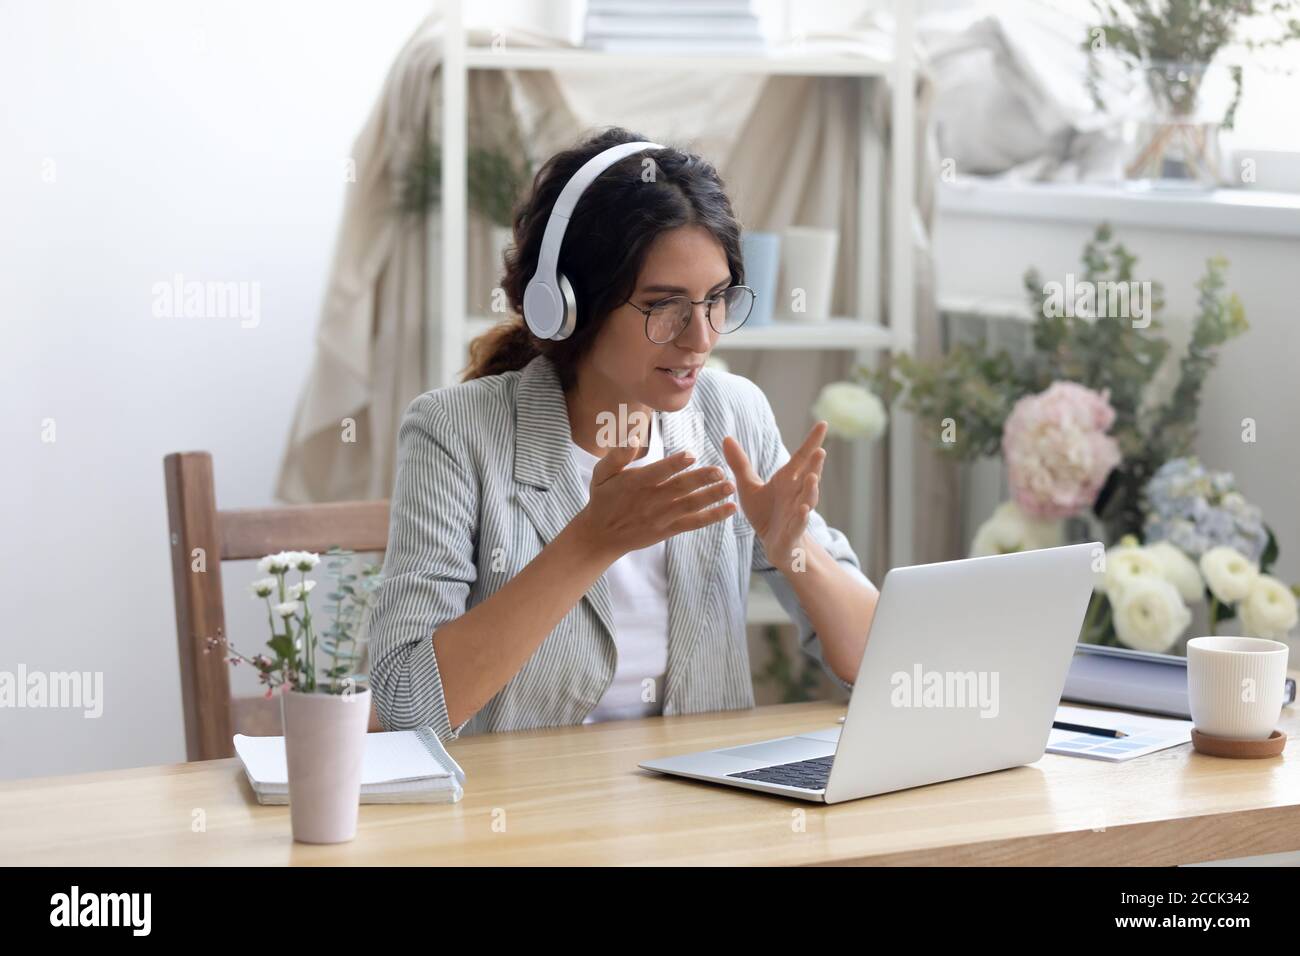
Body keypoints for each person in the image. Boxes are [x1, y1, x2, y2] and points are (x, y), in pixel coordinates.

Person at [369, 127, 878, 741]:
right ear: (566, 306)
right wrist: (591, 542)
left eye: (717, 299)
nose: (701, 338)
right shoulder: (456, 432)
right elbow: (405, 710)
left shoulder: (734, 415)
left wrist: (794, 550)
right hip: (522, 821)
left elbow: (879, 666)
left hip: (705, 817)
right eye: (663, 306)